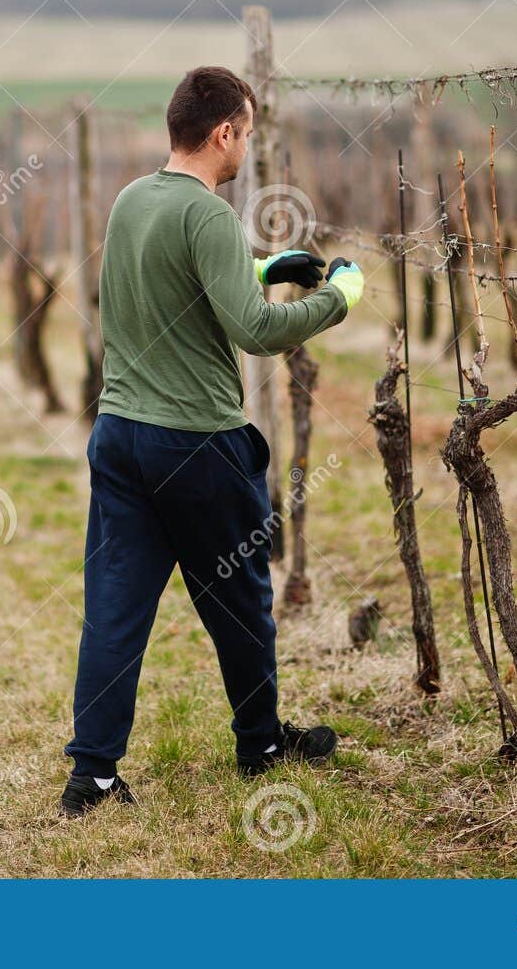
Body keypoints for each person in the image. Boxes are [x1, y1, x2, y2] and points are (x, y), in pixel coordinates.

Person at [60, 65, 364, 817]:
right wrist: (335, 298)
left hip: (120, 438)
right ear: (225, 132)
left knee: (115, 610)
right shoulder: (208, 214)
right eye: (247, 134)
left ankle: (91, 777)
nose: (246, 148)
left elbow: (167, 280)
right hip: (196, 446)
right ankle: (259, 744)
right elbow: (256, 331)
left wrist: (263, 266)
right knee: (241, 602)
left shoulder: (133, 200)